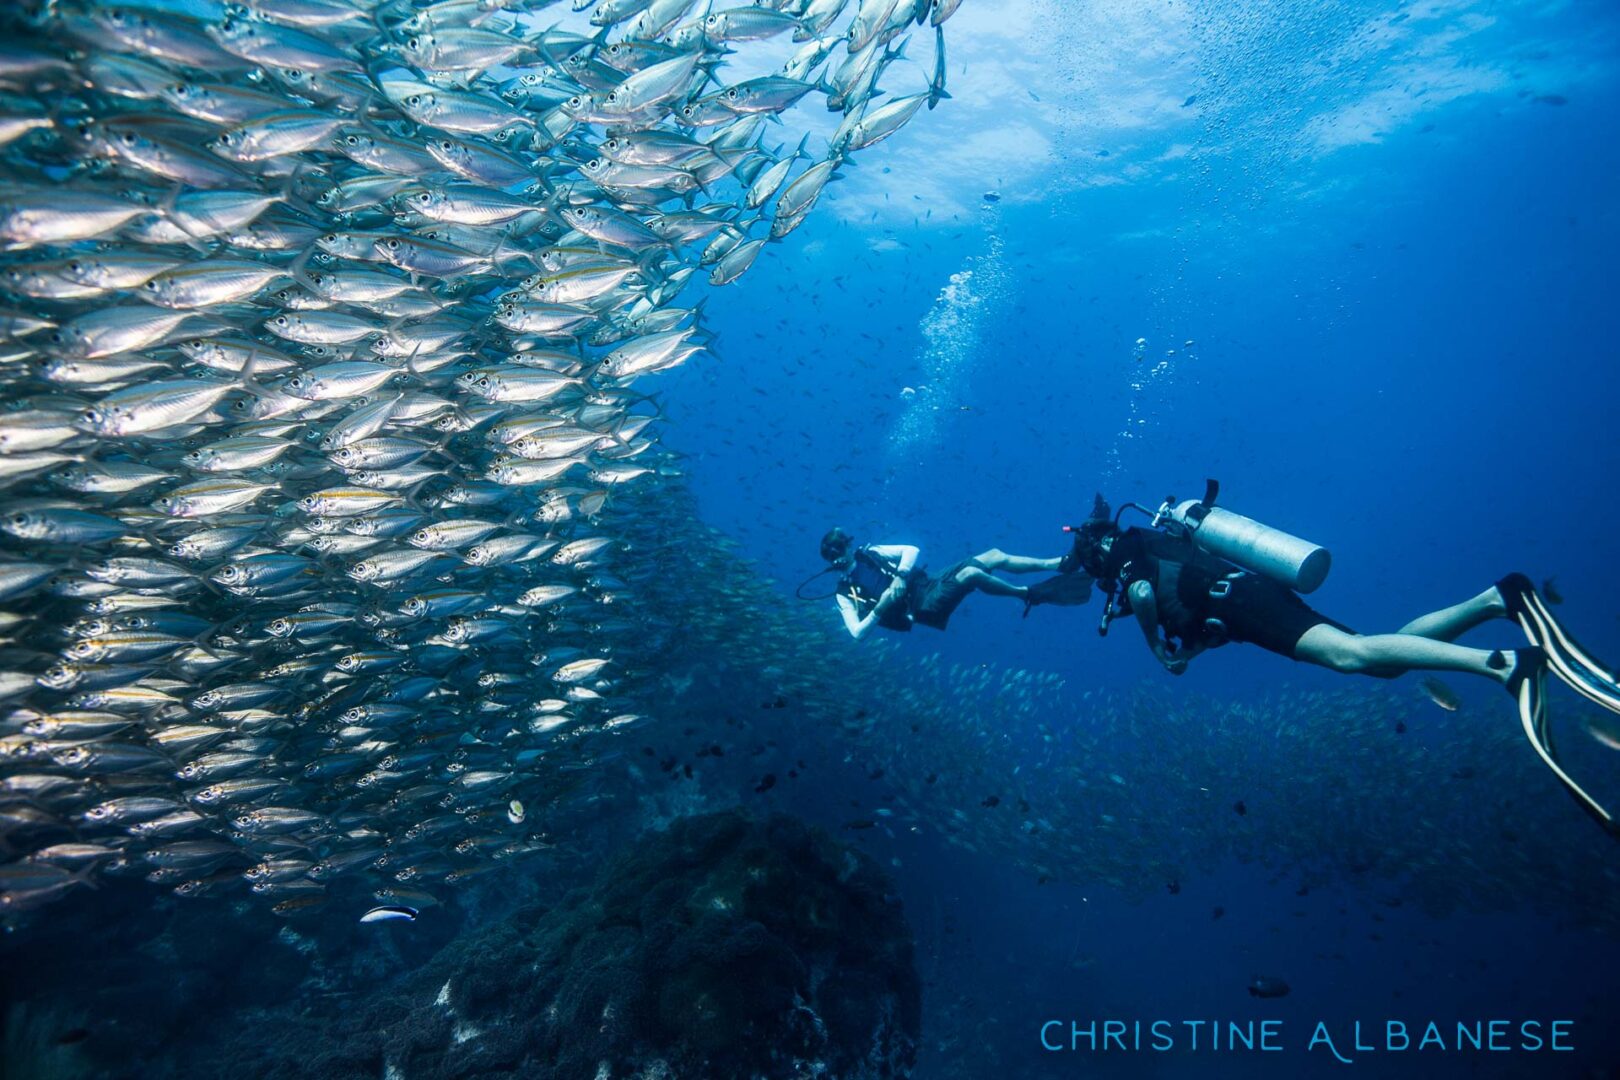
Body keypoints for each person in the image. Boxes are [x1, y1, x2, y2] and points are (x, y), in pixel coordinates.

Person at [1063, 495, 1620, 832]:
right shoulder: (1153, 539)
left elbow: (1138, 592)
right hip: (1249, 596)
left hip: (1241, 602)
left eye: (1088, 564)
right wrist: (1199, 641)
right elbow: (1189, 600)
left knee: (1352, 657)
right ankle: (1498, 599)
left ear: (1094, 549)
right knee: (1381, 658)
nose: (1095, 577)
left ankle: (1503, 665)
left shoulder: (1123, 549)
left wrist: (1160, 652)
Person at [818, 527, 1087, 640]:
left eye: (841, 548)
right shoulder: (843, 594)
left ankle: (1059, 564)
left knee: (993, 555)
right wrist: (880, 608)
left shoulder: (872, 552)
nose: (840, 556)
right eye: (834, 555)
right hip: (921, 606)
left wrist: (900, 575)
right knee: (971, 574)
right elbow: (856, 633)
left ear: (848, 545)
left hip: (927, 582)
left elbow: (910, 550)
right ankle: (1027, 594)